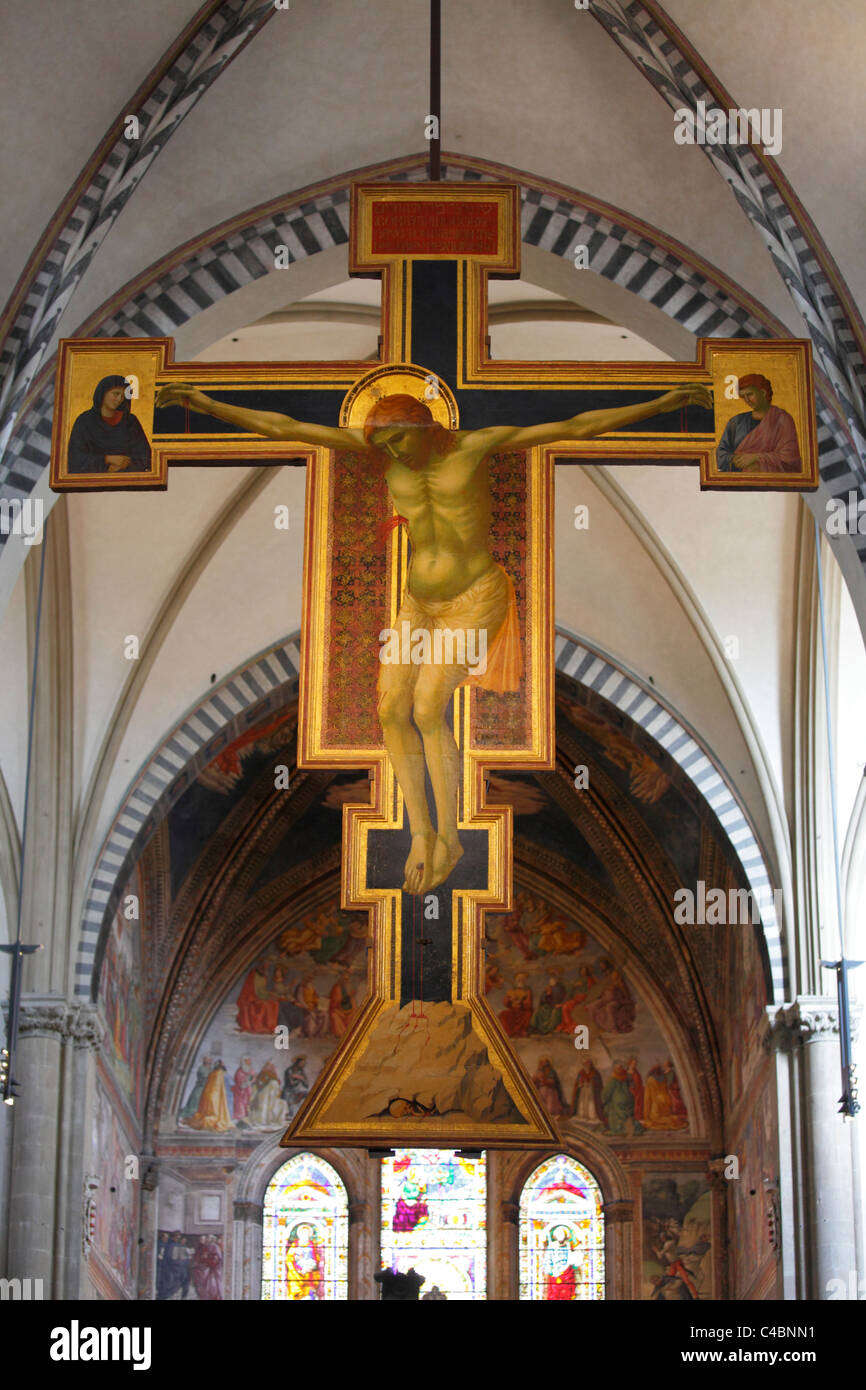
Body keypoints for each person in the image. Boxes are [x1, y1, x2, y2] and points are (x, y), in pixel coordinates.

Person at [156, 379, 712, 893]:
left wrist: (663, 405)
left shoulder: (475, 448)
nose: (393, 453)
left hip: (476, 598)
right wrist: (204, 406)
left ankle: (451, 838)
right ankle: (422, 832)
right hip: (417, 600)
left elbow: (577, 425)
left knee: (427, 707)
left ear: (427, 426)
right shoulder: (387, 458)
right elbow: (285, 427)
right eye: (385, 444)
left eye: (400, 439)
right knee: (390, 708)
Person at [716, 374, 801, 474]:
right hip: (738, 479)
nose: (747, 400)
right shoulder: (736, 421)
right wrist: (736, 460)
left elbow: (789, 457)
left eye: (750, 394)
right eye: (743, 397)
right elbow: (720, 454)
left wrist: (756, 458)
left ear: (763, 392)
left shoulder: (782, 419)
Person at [67, 375, 152, 474]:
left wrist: (123, 466)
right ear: (103, 393)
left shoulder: (130, 421)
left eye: (123, 395)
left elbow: (145, 457)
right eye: (116, 394)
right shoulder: (84, 421)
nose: (119, 399)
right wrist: (107, 460)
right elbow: (76, 459)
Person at [186, 1060, 233, 1132]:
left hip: (208, 1095)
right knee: (215, 1113)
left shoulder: (212, 1073)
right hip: (215, 1097)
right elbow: (231, 1083)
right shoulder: (221, 1073)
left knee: (208, 1112)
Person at [286, 1223, 324, 1300]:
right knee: (296, 1291)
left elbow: (317, 1258)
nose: (305, 1235)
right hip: (296, 1273)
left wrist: (311, 1265)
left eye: (306, 1233)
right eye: (303, 1233)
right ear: (300, 1234)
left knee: (310, 1292)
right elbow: (289, 1259)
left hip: (310, 1272)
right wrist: (296, 1269)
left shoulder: (312, 1245)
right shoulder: (294, 1245)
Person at [247, 1060, 289, 1126]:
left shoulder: (273, 1075)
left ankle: (274, 1119)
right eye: (269, 1066)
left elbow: (278, 1084)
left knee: (281, 1103)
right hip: (263, 1094)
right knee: (264, 1104)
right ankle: (262, 1120)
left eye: (272, 1066)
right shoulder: (262, 1074)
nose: (271, 1068)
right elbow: (259, 1084)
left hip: (273, 1095)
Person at [499, 972, 533, 1037]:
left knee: (527, 1016)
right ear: (516, 980)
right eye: (519, 979)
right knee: (503, 1015)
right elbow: (506, 1002)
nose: (520, 980)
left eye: (522, 979)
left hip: (523, 1010)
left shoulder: (528, 990)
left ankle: (521, 1032)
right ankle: (507, 1033)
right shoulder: (512, 989)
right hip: (513, 1009)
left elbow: (529, 1002)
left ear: (524, 980)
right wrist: (510, 1000)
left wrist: (521, 1002)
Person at [571, 1059, 604, 1123]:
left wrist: (591, 1082)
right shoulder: (581, 1072)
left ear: (591, 1065)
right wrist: (581, 1083)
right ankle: (582, 1115)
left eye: (588, 1064)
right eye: (585, 1064)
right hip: (583, 1090)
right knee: (582, 1102)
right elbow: (578, 1082)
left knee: (590, 1103)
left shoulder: (595, 1072)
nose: (587, 1065)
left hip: (591, 1091)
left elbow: (598, 1083)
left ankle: (591, 1116)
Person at [180, 1055, 212, 1121]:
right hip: (200, 1087)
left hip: (207, 1088)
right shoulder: (201, 1068)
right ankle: (189, 1116)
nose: (208, 1061)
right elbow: (204, 1076)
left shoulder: (210, 1068)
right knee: (195, 1100)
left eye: (209, 1060)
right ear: (204, 1061)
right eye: (207, 1060)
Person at [192, 1235, 223, 1301]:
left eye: (208, 1238)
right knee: (206, 1284)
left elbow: (216, 1258)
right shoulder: (207, 1246)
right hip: (208, 1268)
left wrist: (207, 1260)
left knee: (213, 1284)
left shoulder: (215, 1247)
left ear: (212, 1239)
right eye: (207, 1239)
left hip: (214, 1270)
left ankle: (214, 1297)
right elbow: (203, 1256)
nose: (207, 1240)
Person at [328, 971, 355, 1035]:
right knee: (334, 1016)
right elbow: (335, 1002)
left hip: (347, 1010)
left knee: (354, 1015)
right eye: (345, 979)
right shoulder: (336, 988)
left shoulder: (348, 987)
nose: (346, 981)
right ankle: (341, 1033)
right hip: (337, 1010)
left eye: (347, 979)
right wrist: (348, 996)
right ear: (341, 979)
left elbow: (352, 1002)